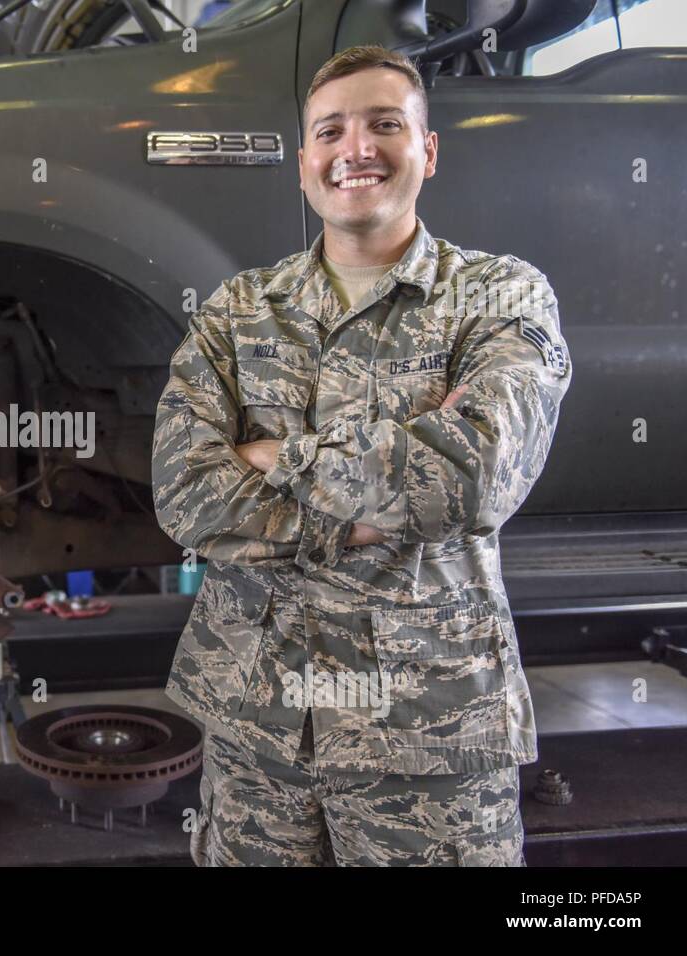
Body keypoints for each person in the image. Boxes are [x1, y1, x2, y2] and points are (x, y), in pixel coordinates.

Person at [151, 45, 572, 866]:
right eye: (331, 131)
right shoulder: (238, 311)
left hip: (430, 735)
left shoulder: (499, 295)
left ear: (428, 150)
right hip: (256, 732)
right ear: (304, 164)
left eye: (385, 124)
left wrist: (275, 457)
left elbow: (474, 477)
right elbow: (184, 494)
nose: (357, 150)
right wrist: (375, 509)